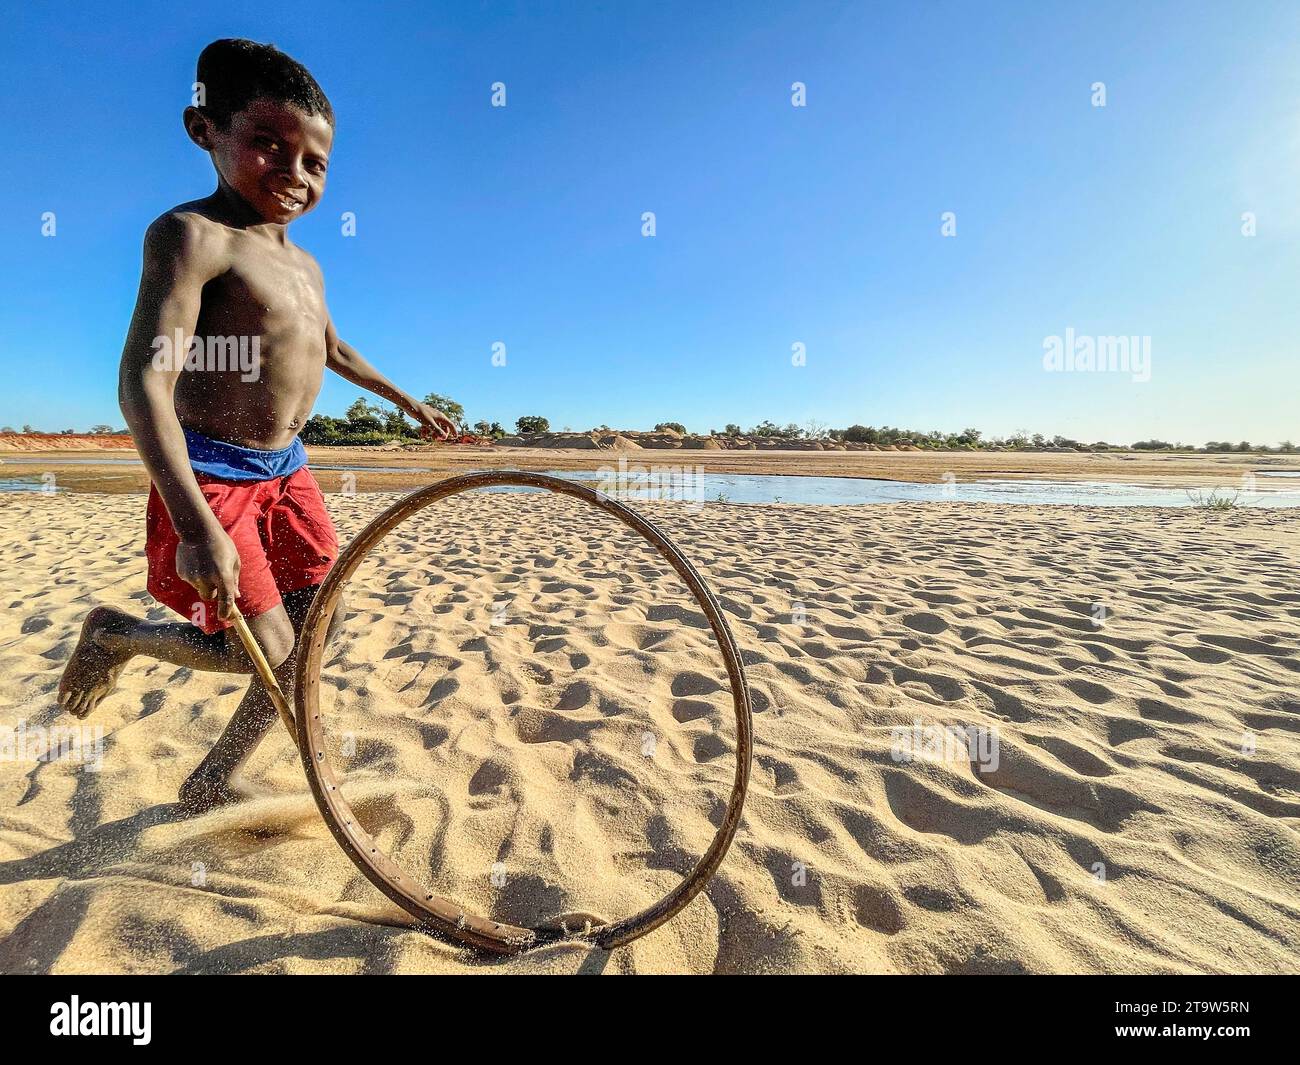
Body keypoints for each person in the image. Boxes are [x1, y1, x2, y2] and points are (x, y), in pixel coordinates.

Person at [57, 38, 456, 812]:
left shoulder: (305, 264)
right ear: (204, 129)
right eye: (268, 145)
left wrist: (407, 401)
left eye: (315, 162)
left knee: (313, 631)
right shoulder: (192, 235)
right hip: (211, 471)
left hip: (288, 469)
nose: (295, 174)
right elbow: (143, 378)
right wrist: (193, 521)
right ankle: (120, 635)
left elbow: (331, 346)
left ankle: (214, 776)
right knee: (264, 649)